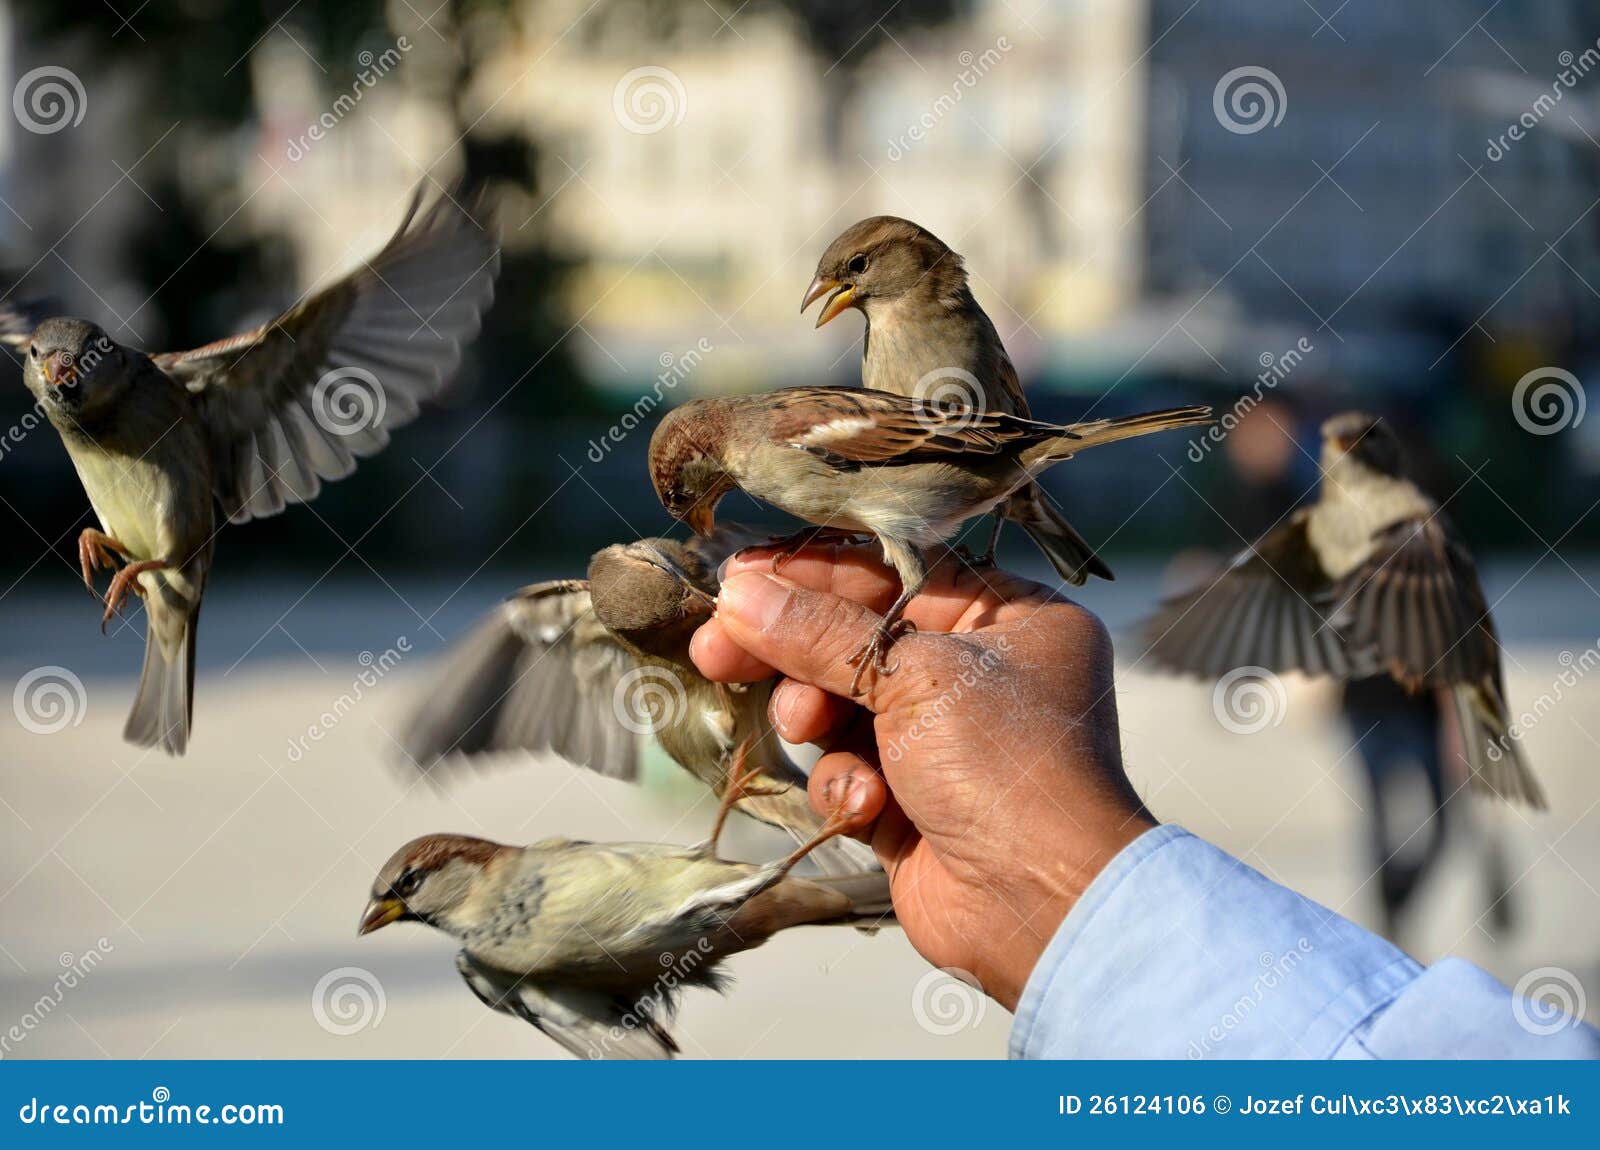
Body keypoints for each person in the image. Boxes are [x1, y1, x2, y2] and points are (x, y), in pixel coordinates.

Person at [687, 544, 1599, 1059]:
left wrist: (1066, 887)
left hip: (1407, 717)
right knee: (1386, 830)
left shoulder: (1426, 562)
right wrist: (1057, 895)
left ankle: (1399, 920)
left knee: (1428, 831)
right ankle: (1394, 922)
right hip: (1367, 721)